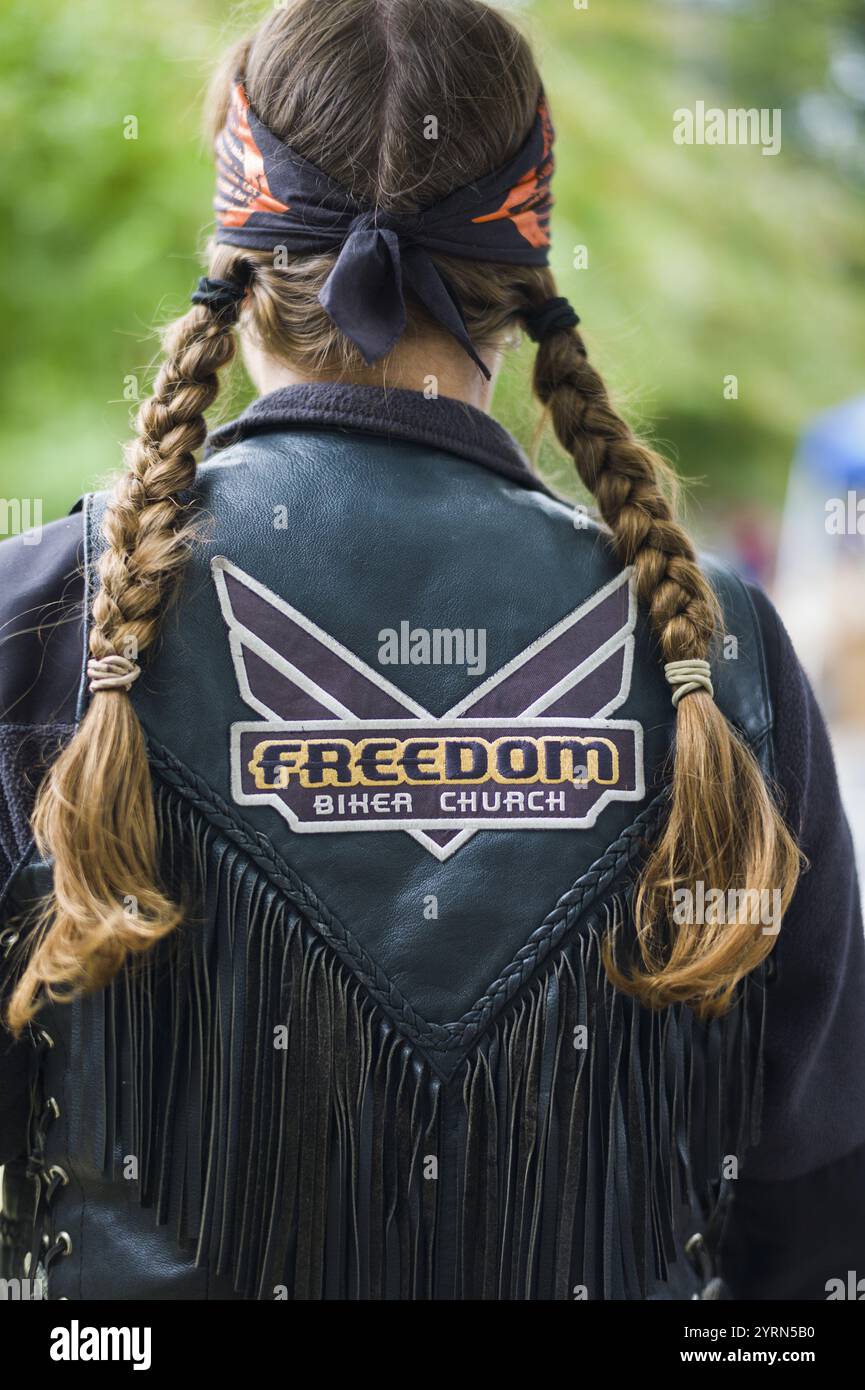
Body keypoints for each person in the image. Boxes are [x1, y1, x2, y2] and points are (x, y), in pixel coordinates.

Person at [0, 0, 863, 1301]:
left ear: (237, 259)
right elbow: (814, 1216)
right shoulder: (718, 655)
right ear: (517, 285)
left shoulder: (37, 618)